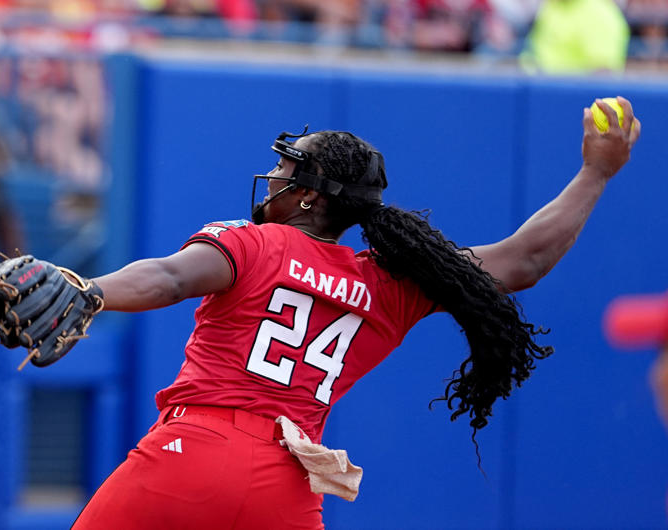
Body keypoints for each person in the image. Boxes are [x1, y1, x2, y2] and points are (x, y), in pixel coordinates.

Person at [67, 98, 639, 529]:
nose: (275, 180)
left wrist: (87, 290)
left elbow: (169, 278)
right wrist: (596, 174)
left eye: (289, 172)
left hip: (192, 450)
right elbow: (526, 259)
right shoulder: (392, 285)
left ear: (311, 195)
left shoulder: (255, 243)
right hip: (285, 481)